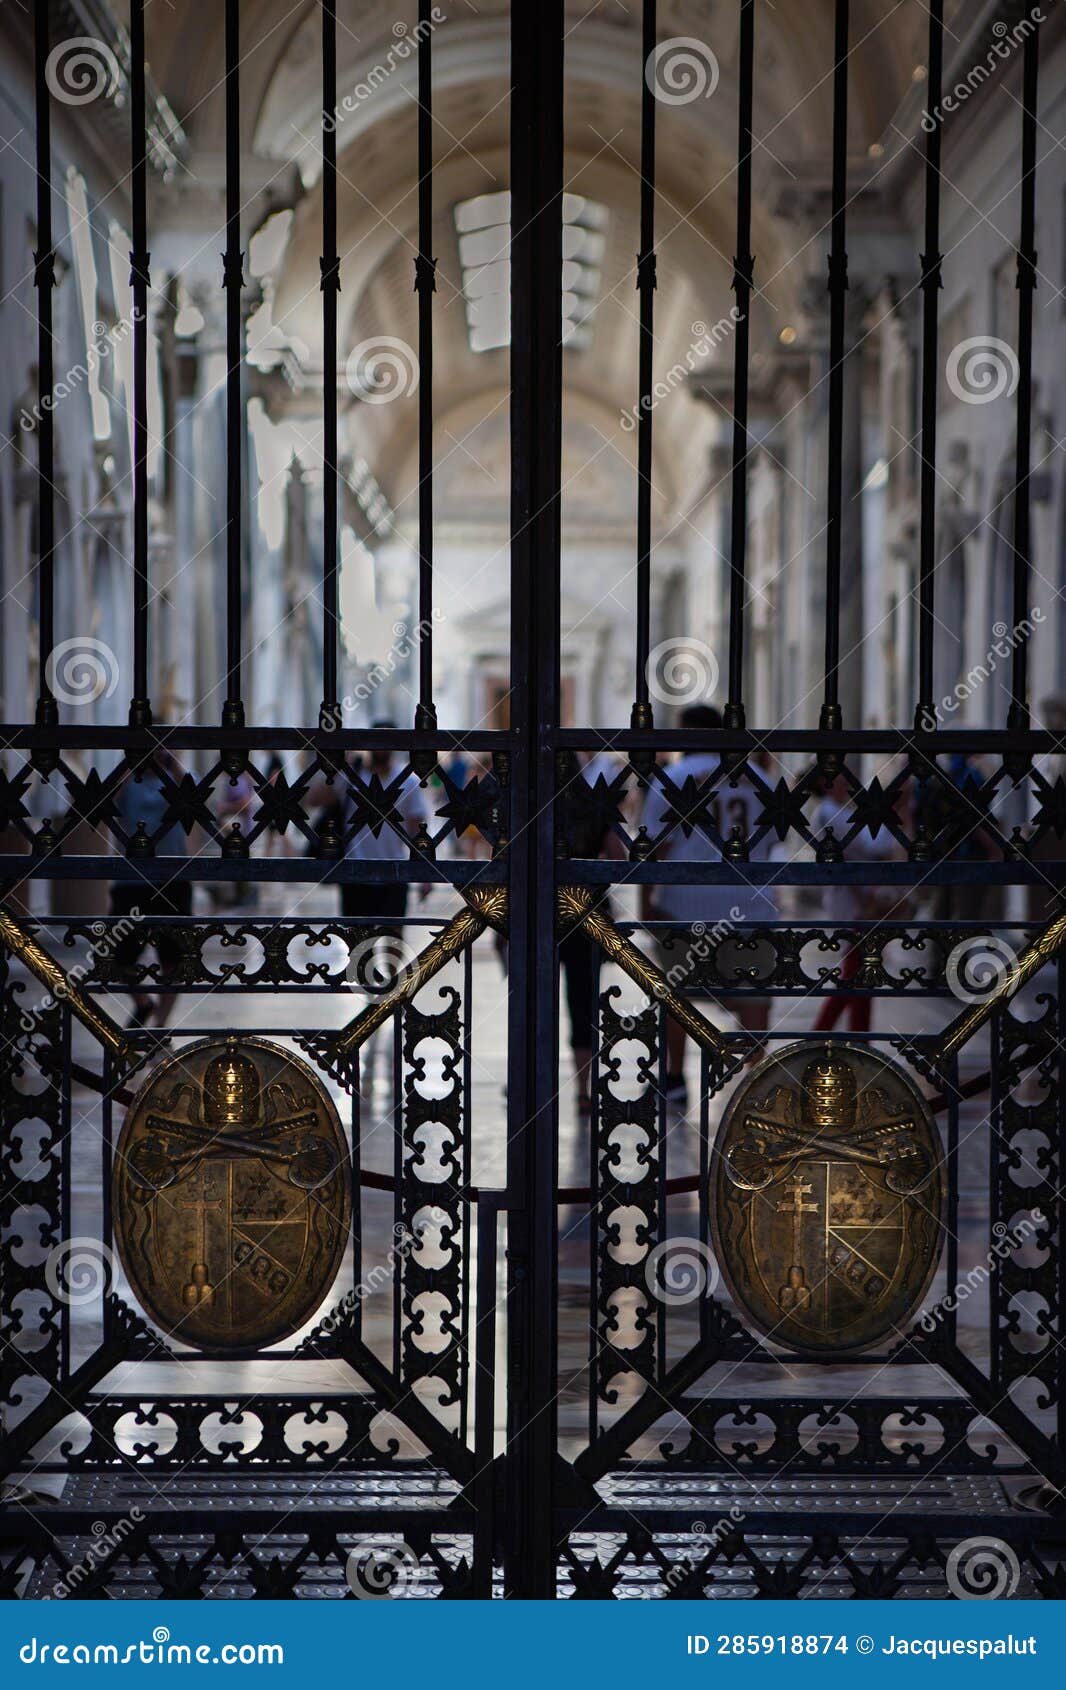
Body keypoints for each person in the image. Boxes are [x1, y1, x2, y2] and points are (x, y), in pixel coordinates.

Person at [639, 704, 777, 1106]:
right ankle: (755, 1078)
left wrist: (647, 901)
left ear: (686, 732)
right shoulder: (758, 779)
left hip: (687, 903)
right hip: (749, 902)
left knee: (677, 995)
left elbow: (656, 848)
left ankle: (674, 1077)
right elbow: (773, 841)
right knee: (753, 994)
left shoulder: (673, 778)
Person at [110, 749, 191, 1029]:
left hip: (172, 879)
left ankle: (160, 1024)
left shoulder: (175, 778)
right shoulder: (128, 781)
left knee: (174, 958)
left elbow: (195, 797)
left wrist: (172, 761)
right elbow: (105, 802)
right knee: (117, 955)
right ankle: (144, 1003)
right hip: (131, 881)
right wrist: (130, 762)